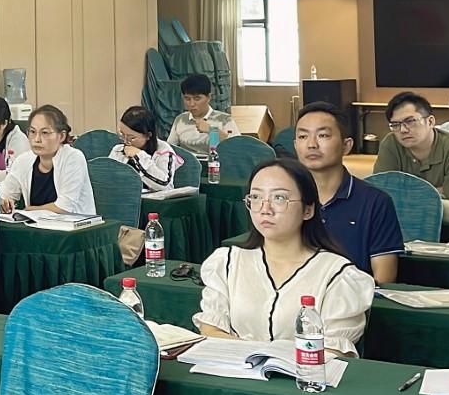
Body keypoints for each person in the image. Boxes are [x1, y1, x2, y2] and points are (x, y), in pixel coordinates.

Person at [193, 158, 375, 356]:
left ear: (308, 210)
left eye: (279, 198)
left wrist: (265, 356)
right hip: (236, 371)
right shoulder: (227, 262)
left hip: (304, 374)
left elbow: (334, 350)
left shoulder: (336, 274)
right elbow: (210, 330)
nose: (265, 209)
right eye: (256, 197)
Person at [292, 101, 403, 283]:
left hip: (354, 298)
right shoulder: (286, 199)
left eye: (323, 135)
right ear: (295, 145)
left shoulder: (375, 202)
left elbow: (384, 279)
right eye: (303, 136)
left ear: (346, 145)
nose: (311, 144)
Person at [373, 91, 449, 200]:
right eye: (395, 124)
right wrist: (437, 191)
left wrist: (404, 192)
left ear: (430, 122)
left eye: (410, 121)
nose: (403, 130)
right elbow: (381, 191)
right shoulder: (390, 143)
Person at [0, 105, 95, 215]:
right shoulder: (23, 160)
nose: (37, 139)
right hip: (36, 223)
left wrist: (28, 210)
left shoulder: (73, 158)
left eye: (44, 133)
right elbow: (3, 195)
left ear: (61, 136)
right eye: (32, 132)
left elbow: (64, 207)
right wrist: (4, 202)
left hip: (74, 223)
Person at [109, 105, 186, 195]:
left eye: (131, 138)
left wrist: (139, 156)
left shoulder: (164, 151)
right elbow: (108, 177)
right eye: (122, 135)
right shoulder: (118, 149)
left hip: (153, 201)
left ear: (148, 135)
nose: (126, 141)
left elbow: (165, 185)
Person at [170, 74, 238, 157]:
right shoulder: (180, 119)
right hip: (187, 163)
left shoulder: (225, 120)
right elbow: (169, 149)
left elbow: (237, 148)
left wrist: (212, 130)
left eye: (197, 98)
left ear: (209, 97)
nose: (191, 104)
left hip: (215, 163)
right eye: (187, 99)